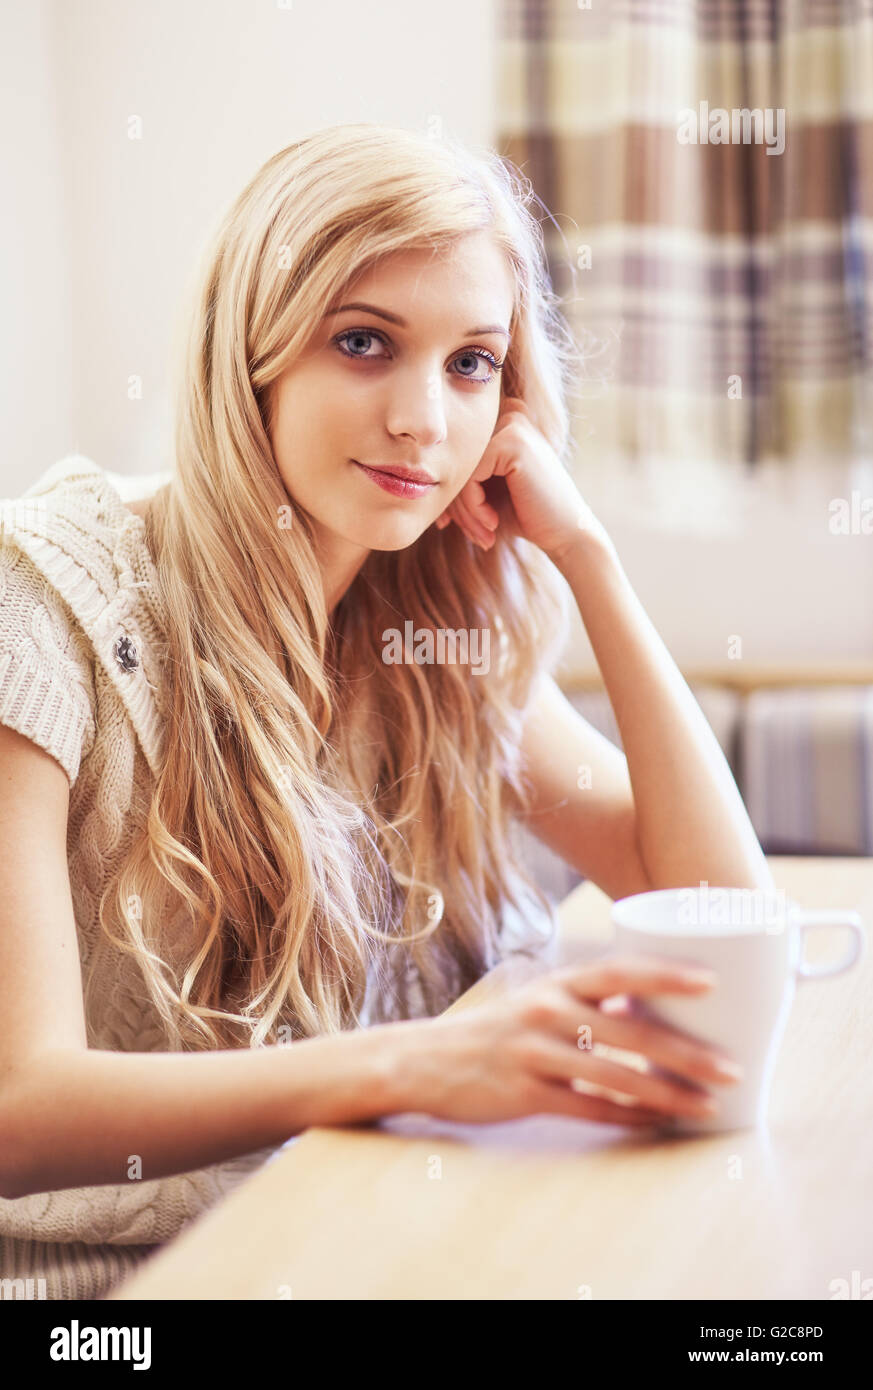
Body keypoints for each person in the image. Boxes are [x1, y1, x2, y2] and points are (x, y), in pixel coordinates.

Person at [0, 123, 769, 1300]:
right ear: (250, 352)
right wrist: (421, 1063)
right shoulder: (45, 602)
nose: (426, 421)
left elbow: (717, 905)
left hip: (355, 1246)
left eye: (472, 363)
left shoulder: (431, 631)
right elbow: (20, 1107)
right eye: (365, 343)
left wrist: (591, 559)